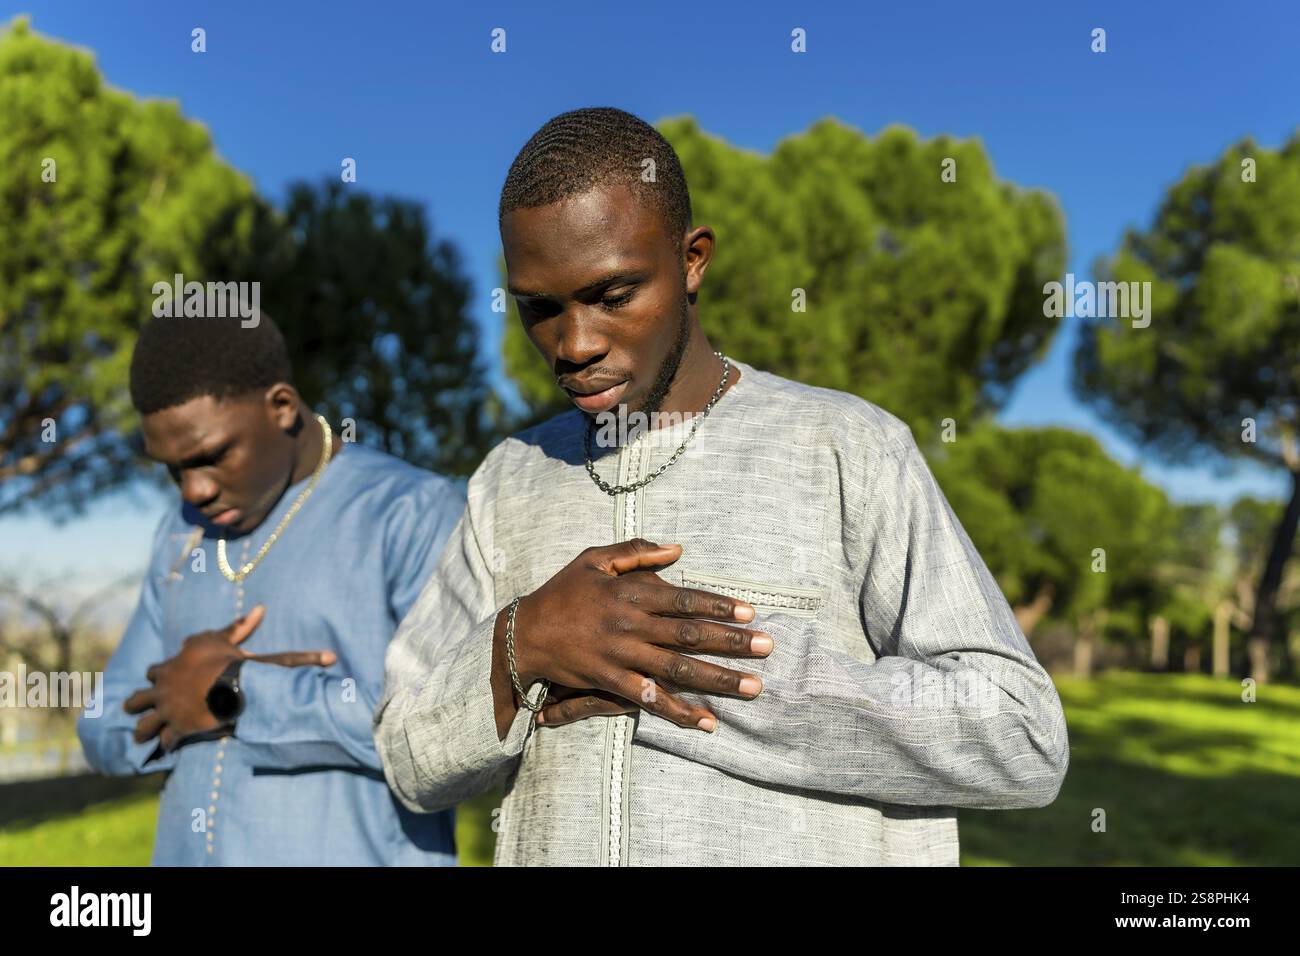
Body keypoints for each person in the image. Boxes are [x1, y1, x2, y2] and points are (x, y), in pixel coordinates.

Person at [375, 106, 1070, 866]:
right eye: (540, 309)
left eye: (612, 294)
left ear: (693, 260)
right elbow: (407, 758)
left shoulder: (847, 448)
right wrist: (525, 643)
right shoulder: (508, 479)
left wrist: (689, 672)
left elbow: (1020, 733)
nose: (574, 344)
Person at [78, 312, 464, 865]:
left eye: (212, 456)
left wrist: (231, 692)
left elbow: (449, 727)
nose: (196, 489)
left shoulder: (411, 513)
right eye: (173, 469)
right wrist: (180, 697)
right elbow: (103, 725)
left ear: (281, 406)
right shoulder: (181, 532)